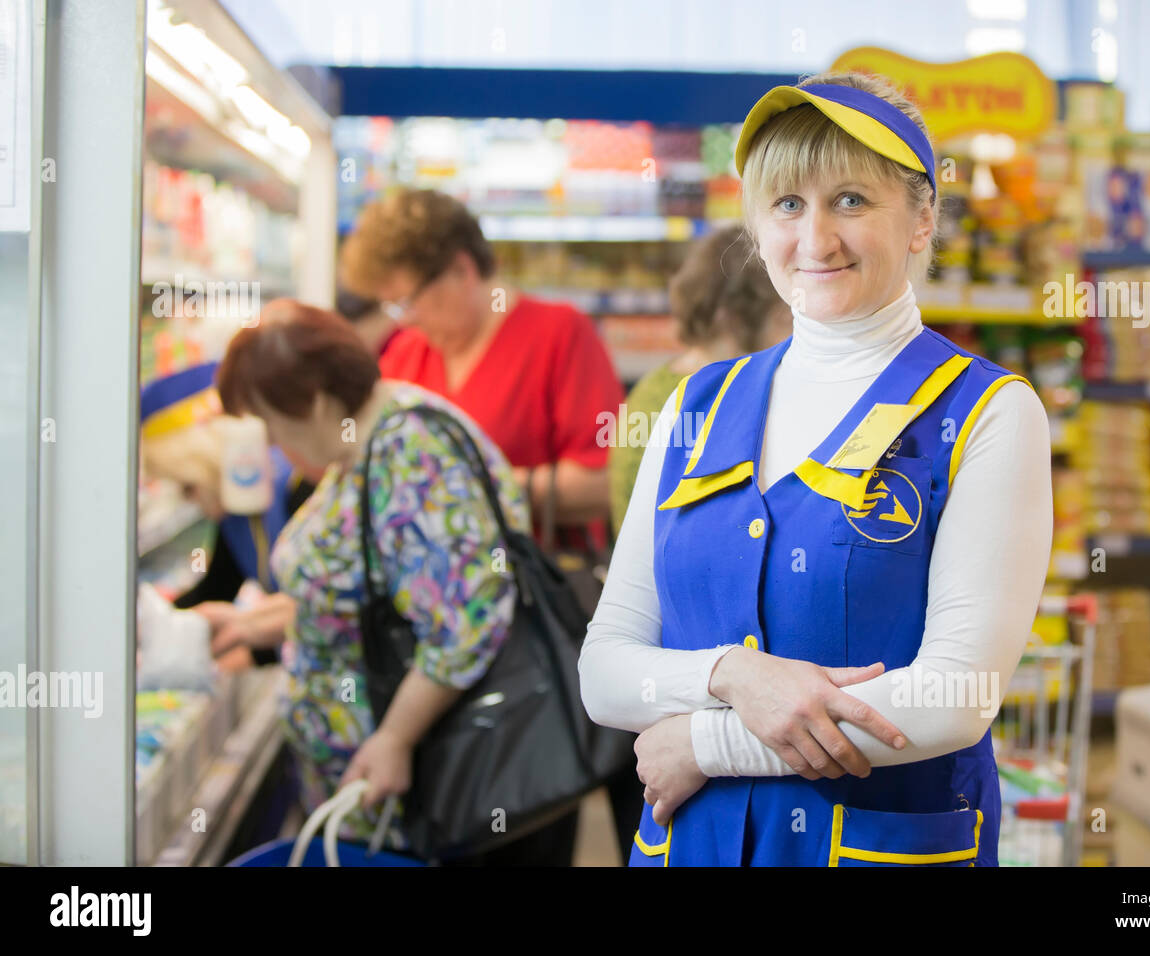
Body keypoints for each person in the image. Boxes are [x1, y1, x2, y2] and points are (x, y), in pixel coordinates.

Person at [578, 72, 1053, 867]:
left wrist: (704, 741)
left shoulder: (990, 413)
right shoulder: (695, 406)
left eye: (852, 201)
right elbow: (605, 669)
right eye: (788, 205)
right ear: (758, 227)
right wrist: (735, 674)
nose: (817, 239)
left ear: (922, 217)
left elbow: (953, 699)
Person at [215, 298, 561, 863]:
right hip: (368, 791)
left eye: (272, 423)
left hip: (417, 792)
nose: (274, 444)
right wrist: (249, 624)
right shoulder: (368, 443)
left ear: (317, 403)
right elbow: (363, 595)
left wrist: (395, 737)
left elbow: (466, 621)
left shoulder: (412, 452)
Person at [337, 188, 625, 547]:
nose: (405, 321)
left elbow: (604, 484)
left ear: (462, 270)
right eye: (393, 307)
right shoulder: (407, 353)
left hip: (534, 582)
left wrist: (468, 483)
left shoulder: (561, 334)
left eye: (408, 302)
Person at [609, 225, 790, 536]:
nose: (791, 335)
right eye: (783, 320)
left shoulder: (657, 383)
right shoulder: (712, 399)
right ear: (732, 319)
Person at [139, 362, 314, 667]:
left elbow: (325, 612)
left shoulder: (296, 488)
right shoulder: (236, 516)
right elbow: (217, 589)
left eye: (188, 487)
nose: (191, 501)